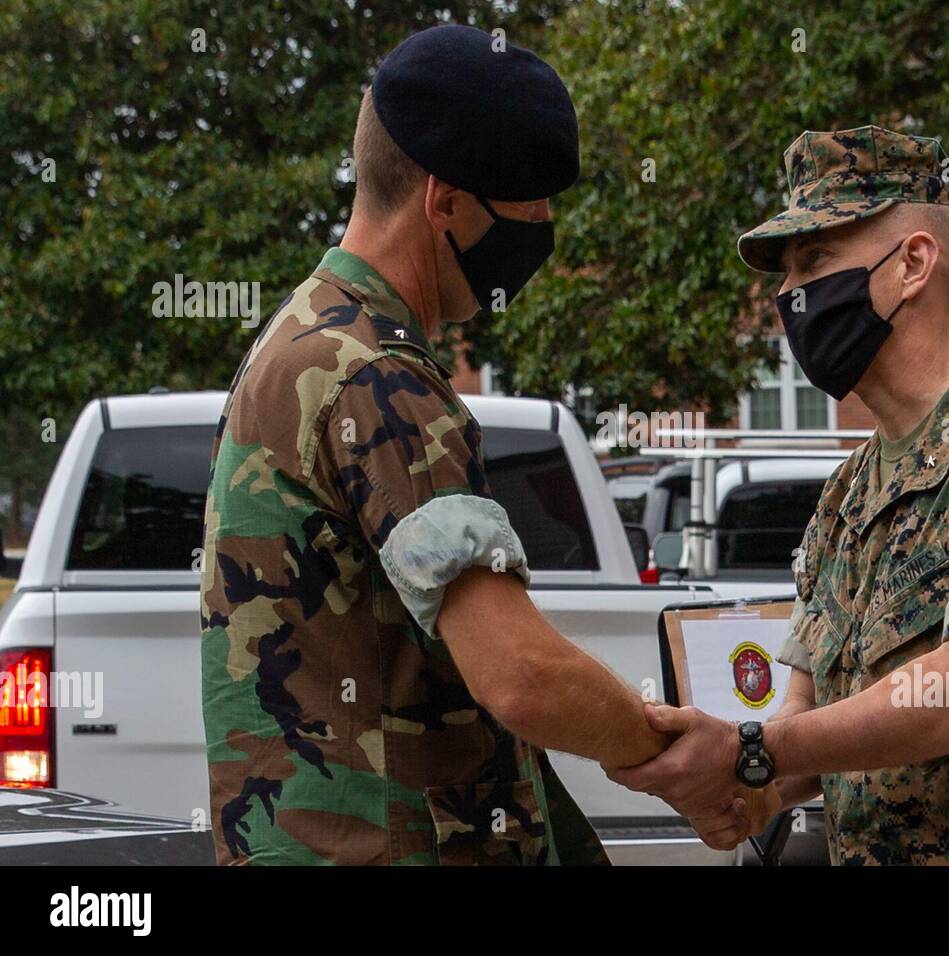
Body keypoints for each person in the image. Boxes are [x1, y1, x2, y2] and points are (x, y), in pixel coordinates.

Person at [200, 24, 666, 866]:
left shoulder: (300, 335)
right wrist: (667, 748)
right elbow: (519, 672)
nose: (543, 229)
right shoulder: (378, 376)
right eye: (526, 204)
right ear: (443, 200)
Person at [608, 124, 949, 864]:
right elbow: (808, 711)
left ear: (912, 263)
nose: (789, 295)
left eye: (814, 258)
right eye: (785, 272)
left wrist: (754, 748)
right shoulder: (848, 492)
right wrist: (749, 784)